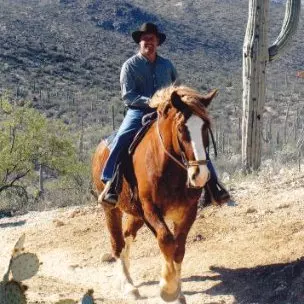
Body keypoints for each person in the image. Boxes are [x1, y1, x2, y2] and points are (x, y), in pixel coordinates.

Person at [98, 22, 230, 207]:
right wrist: (152, 102)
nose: (148, 42)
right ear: (139, 42)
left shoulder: (166, 65)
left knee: (193, 138)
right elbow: (129, 96)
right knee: (122, 138)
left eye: (151, 39)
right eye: (144, 39)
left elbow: (178, 88)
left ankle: (214, 186)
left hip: (168, 112)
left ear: (157, 42)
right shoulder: (129, 66)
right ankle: (111, 182)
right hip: (139, 111)